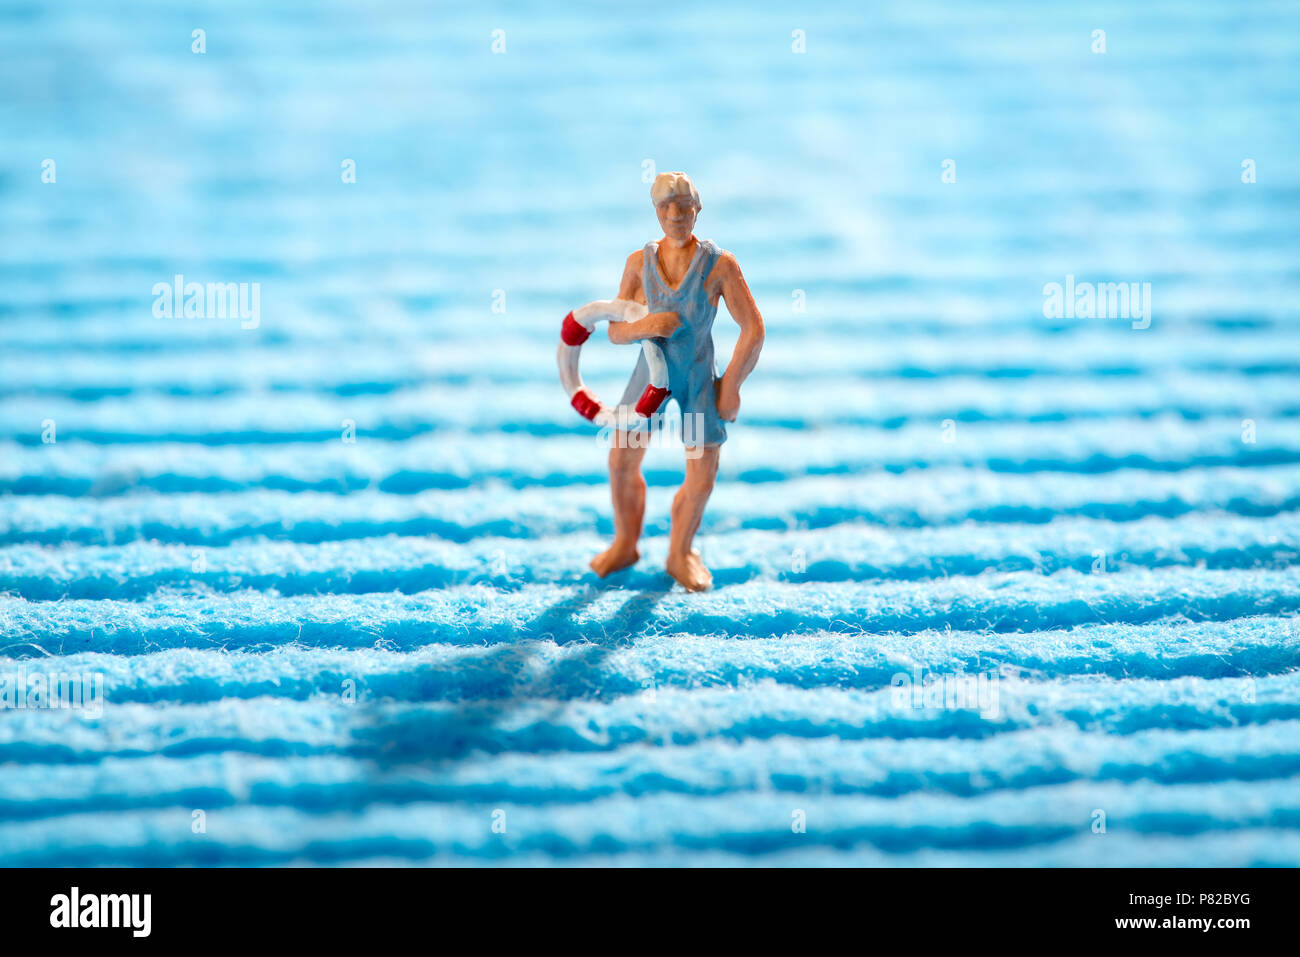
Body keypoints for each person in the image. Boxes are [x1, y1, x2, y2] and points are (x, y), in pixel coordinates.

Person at [590, 171, 765, 591]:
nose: (675, 215)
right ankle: (626, 543)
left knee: (702, 472)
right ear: (655, 211)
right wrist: (647, 324)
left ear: (697, 209)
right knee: (620, 460)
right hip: (650, 373)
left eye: (684, 207)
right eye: (666, 207)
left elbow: (753, 329)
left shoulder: (719, 265)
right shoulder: (639, 263)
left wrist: (732, 385)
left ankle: (680, 552)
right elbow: (614, 329)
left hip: (696, 378)